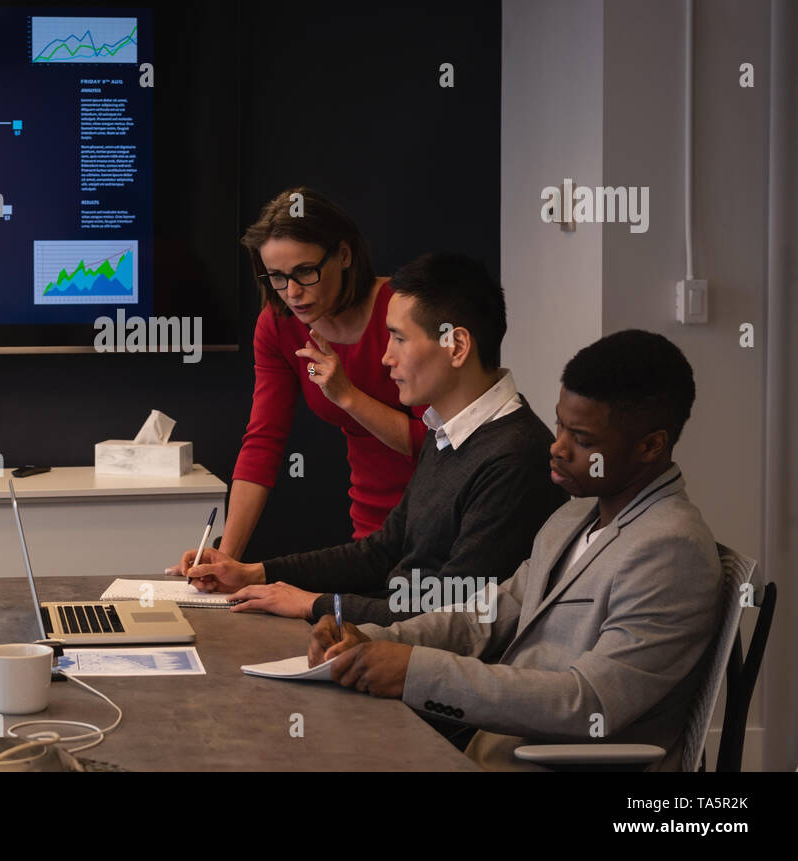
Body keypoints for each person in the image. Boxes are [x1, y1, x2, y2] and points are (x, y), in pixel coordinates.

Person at [309, 330, 721, 772]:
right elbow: (482, 617)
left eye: (582, 439)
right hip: (489, 750)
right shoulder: (572, 517)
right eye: (560, 424)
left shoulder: (671, 550)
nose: (557, 447)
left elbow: (588, 704)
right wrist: (374, 638)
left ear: (651, 445)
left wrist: (413, 671)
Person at [172, 252, 567, 623]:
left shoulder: (514, 459)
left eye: (399, 338)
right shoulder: (447, 432)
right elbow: (383, 552)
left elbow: (451, 615)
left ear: (456, 346)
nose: (385, 358)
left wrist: (314, 604)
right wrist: (252, 573)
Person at [219, 188, 429, 560]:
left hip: (440, 519)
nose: (292, 292)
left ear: (344, 255)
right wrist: (227, 557)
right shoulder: (278, 323)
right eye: (277, 277)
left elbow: (435, 444)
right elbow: (263, 443)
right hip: (371, 529)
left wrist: (348, 396)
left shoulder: (403, 311)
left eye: (305, 271)